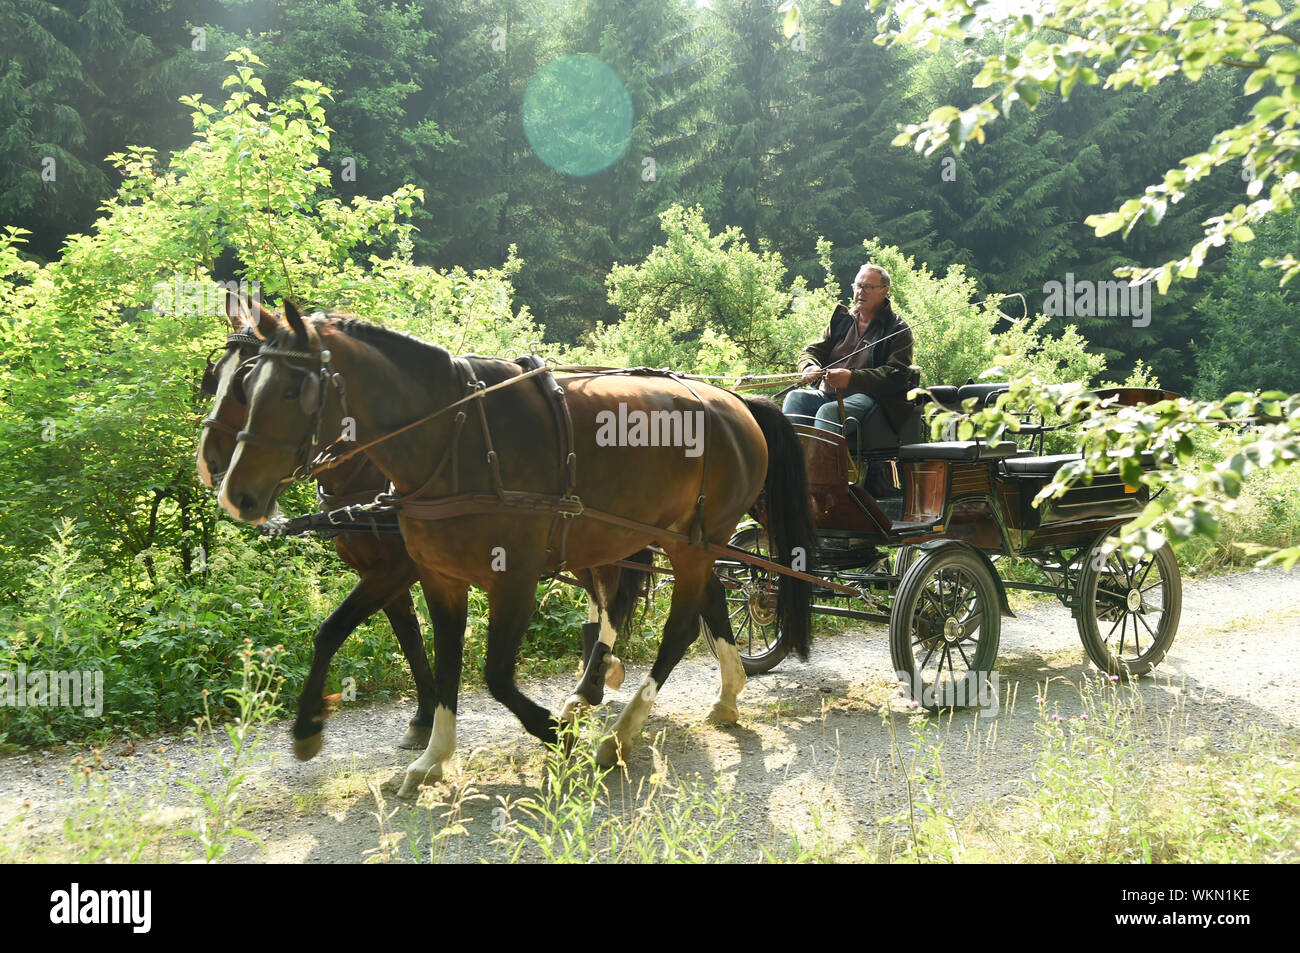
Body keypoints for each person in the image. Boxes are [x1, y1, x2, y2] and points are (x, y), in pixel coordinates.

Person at [782, 263, 917, 444]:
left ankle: (824, 471)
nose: (861, 292)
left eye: (868, 287)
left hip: (873, 399)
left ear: (885, 291)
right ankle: (792, 466)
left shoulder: (898, 329)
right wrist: (809, 366)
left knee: (828, 412)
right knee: (796, 398)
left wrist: (852, 378)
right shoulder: (842, 321)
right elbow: (812, 351)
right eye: (858, 286)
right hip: (828, 393)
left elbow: (897, 375)